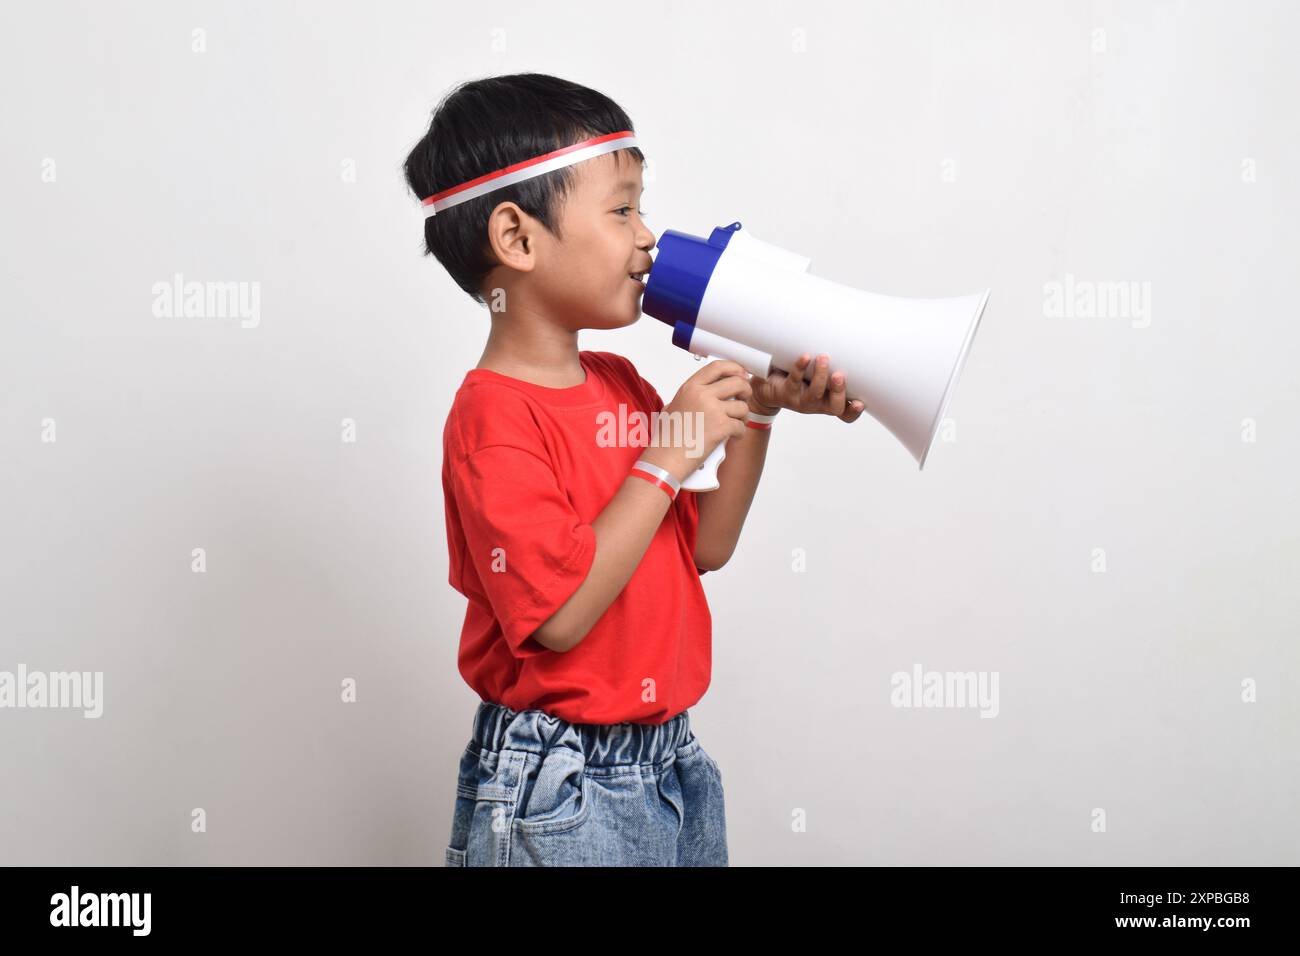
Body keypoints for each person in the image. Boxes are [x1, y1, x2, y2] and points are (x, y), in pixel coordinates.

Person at [402, 72, 863, 866]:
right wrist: (670, 451)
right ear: (517, 239)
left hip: (669, 763)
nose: (648, 235)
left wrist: (756, 410)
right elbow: (558, 618)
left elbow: (703, 546)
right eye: (621, 209)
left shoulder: (620, 386)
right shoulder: (491, 419)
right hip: (560, 783)